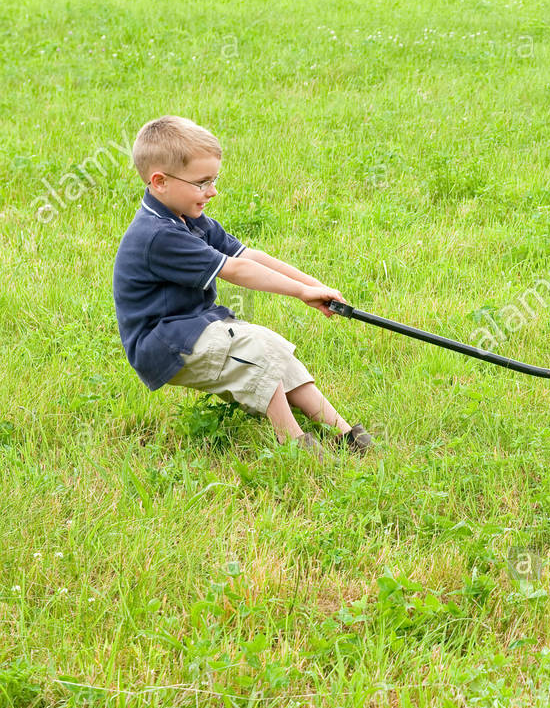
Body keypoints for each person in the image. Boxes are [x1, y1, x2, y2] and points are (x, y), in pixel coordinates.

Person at [112, 116, 374, 458]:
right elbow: (236, 269)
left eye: (214, 180)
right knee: (256, 346)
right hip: (164, 343)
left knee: (277, 352)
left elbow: (249, 254)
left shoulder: (187, 217)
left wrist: (313, 286)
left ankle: (343, 434)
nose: (213, 191)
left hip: (193, 326)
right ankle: (293, 444)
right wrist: (299, 293)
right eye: (202, 182)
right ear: (160, 181)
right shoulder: (158, 235)